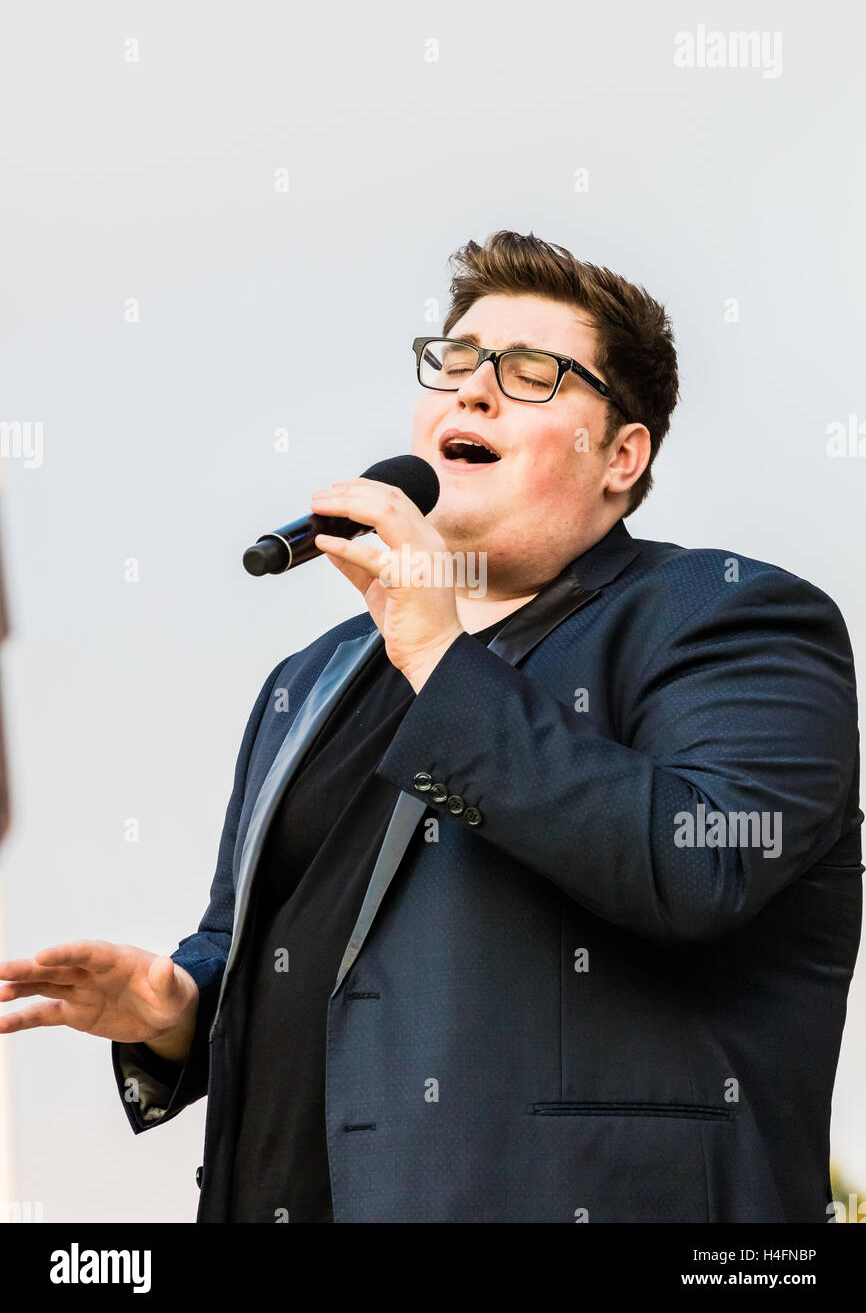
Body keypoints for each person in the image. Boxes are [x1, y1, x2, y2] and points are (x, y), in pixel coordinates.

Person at [0, 230, 861, 1223]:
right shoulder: (310, 679)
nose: (474, 390)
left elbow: (696, 866)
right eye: (453, 364)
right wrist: (180, 1009)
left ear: (621, 456)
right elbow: (250, 937)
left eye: (531, 374)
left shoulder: (726, 617)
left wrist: (440, 658)